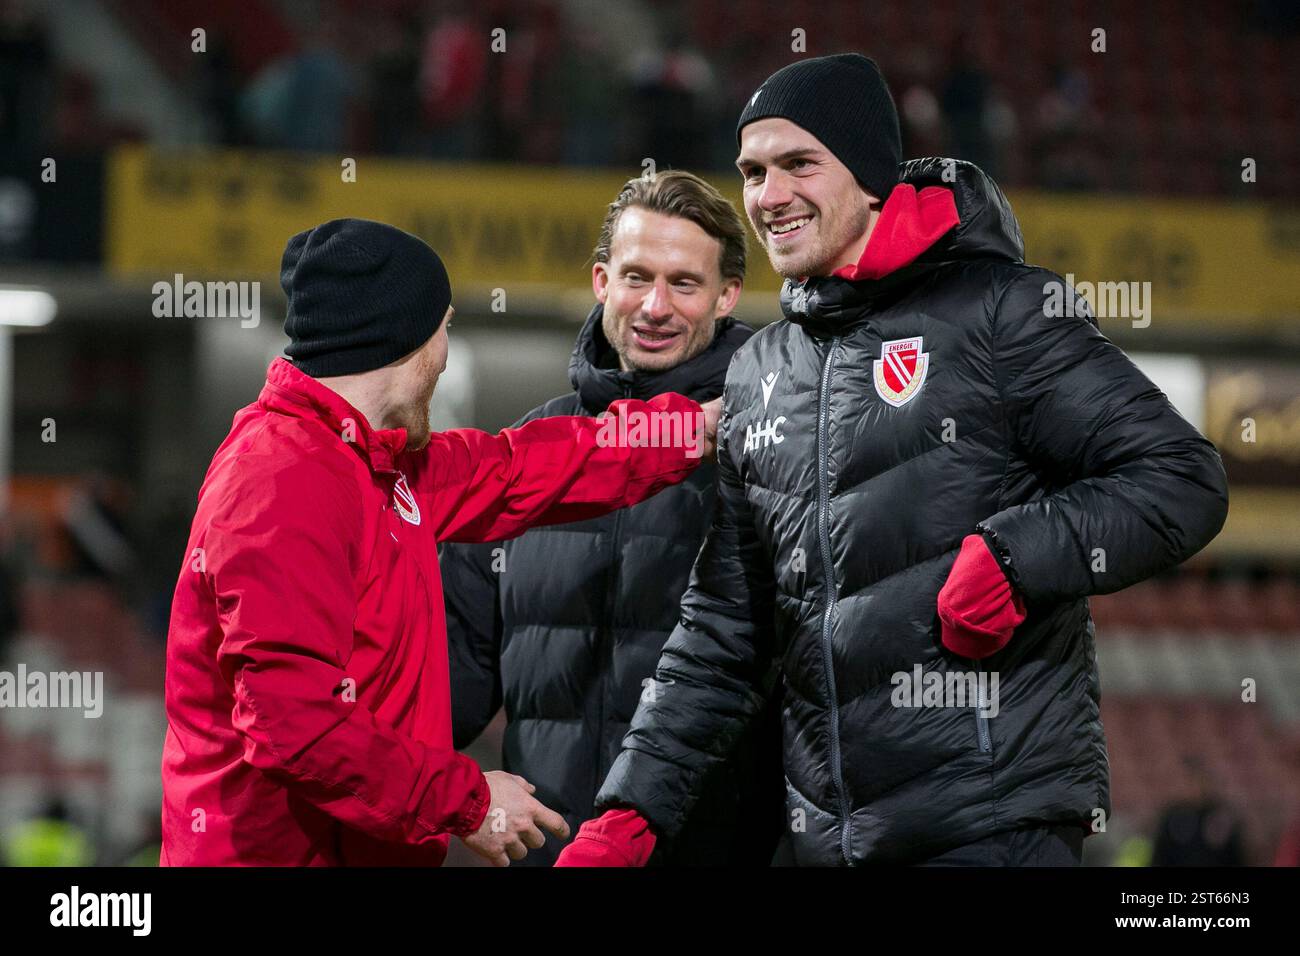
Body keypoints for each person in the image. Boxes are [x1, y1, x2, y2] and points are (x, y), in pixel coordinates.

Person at [559, 54, 1230, 867]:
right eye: (753, 172)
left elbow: (1181, 478)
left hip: (992, 828)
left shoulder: (1002, 312)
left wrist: (1018, 557)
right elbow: (724, 630)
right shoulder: (762, 371)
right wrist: (630, 811)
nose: (770, 197)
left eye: (799, 164)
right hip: (833, 842)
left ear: (872, 176)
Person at [161, 218, 717, 866]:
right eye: (444, 325)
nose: (447, 351)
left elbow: (521, 468)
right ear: (400, 338)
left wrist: (688, 429)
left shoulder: (377, 466)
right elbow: (295, 727)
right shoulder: (282, 484)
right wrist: (468, 801)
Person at [442, 170, 783, 865]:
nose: (655, 306)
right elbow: (450, 690)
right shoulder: (525, 461)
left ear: (726, 297)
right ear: (601, 282)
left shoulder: (774, 452)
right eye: (636, 276)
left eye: (684, 284)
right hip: (554, 856)